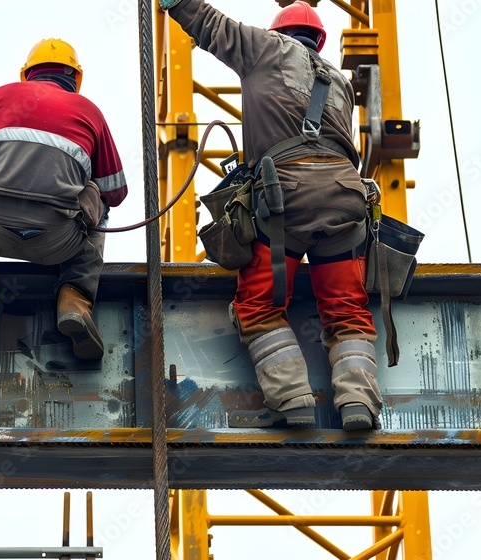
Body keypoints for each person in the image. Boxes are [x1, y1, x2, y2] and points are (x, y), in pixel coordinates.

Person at [160, 0, 381, 430]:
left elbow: (208, 25)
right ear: (318, 40)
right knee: (347, 308)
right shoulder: (339, 81)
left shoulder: (266, 49)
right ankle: (358, 405)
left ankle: (293, 401)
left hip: (287, 198)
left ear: (279, 31)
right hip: (346, 198)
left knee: (258, 306)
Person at [0, 38, 128, 360]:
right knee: (100, 204)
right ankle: (75, 301)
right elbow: (116, 193)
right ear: (76, 77)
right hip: (58, 241)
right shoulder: (90, 112)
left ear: (27, 73)